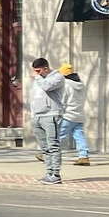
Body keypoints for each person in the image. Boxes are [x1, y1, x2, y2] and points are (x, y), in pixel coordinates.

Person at [27, 57, 67, 185]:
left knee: (53, 145)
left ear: (46, 68)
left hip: (51, 114)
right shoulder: (38, 79)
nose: (36, 74)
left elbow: (47, 87)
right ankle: (48, 173)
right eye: (35, 71)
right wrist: (33, 114)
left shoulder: (57, 77)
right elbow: (34, 97)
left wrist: (38, 78)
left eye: (39, 71)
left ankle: (55, 174)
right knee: (45, 148)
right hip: (38, 116)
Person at [59, 63, 90, 166]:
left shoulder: (65, 84)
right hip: (79, 114)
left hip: (68, 115)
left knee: (57, 135)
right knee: (79, 135)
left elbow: (62, 100)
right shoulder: (81, 84)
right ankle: (83, 156)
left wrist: (59, 112)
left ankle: (48, 154)